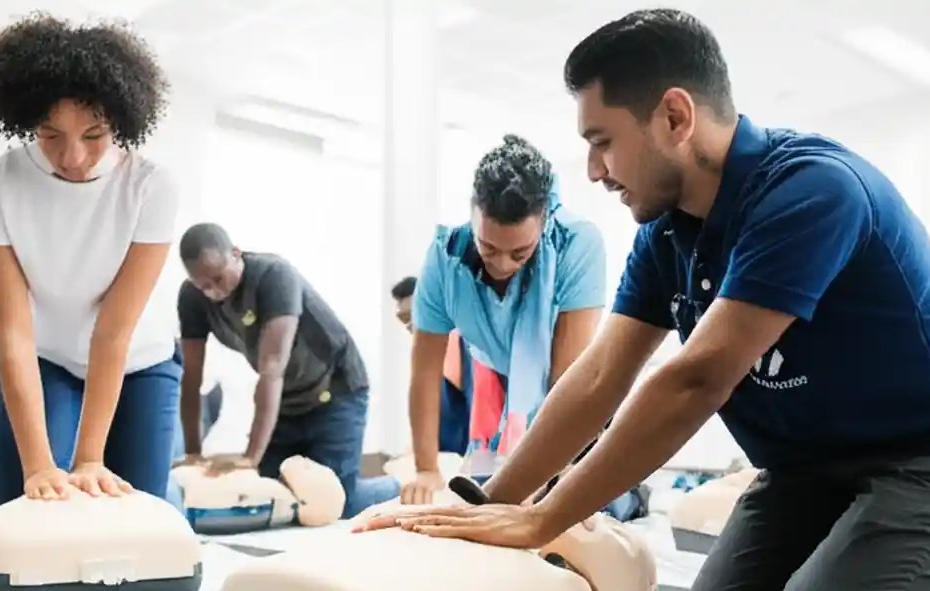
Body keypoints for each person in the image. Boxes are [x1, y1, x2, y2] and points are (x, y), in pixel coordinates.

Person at [358, 8, 930, 591]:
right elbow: (602, 377)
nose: (592, 170)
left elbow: (695, 378)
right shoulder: (667, 236)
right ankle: (914, 578)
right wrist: (493, 508)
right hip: (812, 468)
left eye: (602, 140)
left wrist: (543, 519)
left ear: (674, 117)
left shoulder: (811, 190)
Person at [0, 13, 182, 506]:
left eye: (93, 134)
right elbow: (14, 333)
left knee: (140, 517)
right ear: (25, 122)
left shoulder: (151, 186)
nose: (72, 157)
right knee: (21, 509)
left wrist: (89, 458)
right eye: (49, 135)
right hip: (48, 357)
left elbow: (112, 332)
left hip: (139, 360)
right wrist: (42, 466)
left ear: (121, 121)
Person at [402, 134, 647, 522]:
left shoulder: (575, 245)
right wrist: (426, 469)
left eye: (519, 252)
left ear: (545, 219)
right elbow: (425, 371)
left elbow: (569, 380)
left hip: (577, 399)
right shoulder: (445, 256)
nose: (501, 264)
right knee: (482, 497)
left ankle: (631, 494)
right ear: (472, 214)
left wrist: (545, 476)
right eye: (488, 248)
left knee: (585, 510)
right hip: (506, 394)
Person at [176, 223, 396, 518]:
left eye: (218, 278)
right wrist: (193, 454)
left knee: (333, 504)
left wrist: (250, 458)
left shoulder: (273, 275)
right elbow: (191, 378)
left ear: (236, 254)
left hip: (336, 389)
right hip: (287, 402)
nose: (214, 292)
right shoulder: (192, 297)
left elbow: (272, 369)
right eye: (203, 285)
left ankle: (401, 485)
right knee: (271, 498)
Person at [390, 275, 470, 456]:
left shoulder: (462, 346)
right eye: (403, 320)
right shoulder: (429, 362)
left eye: (412, 315)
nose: (410, 326)